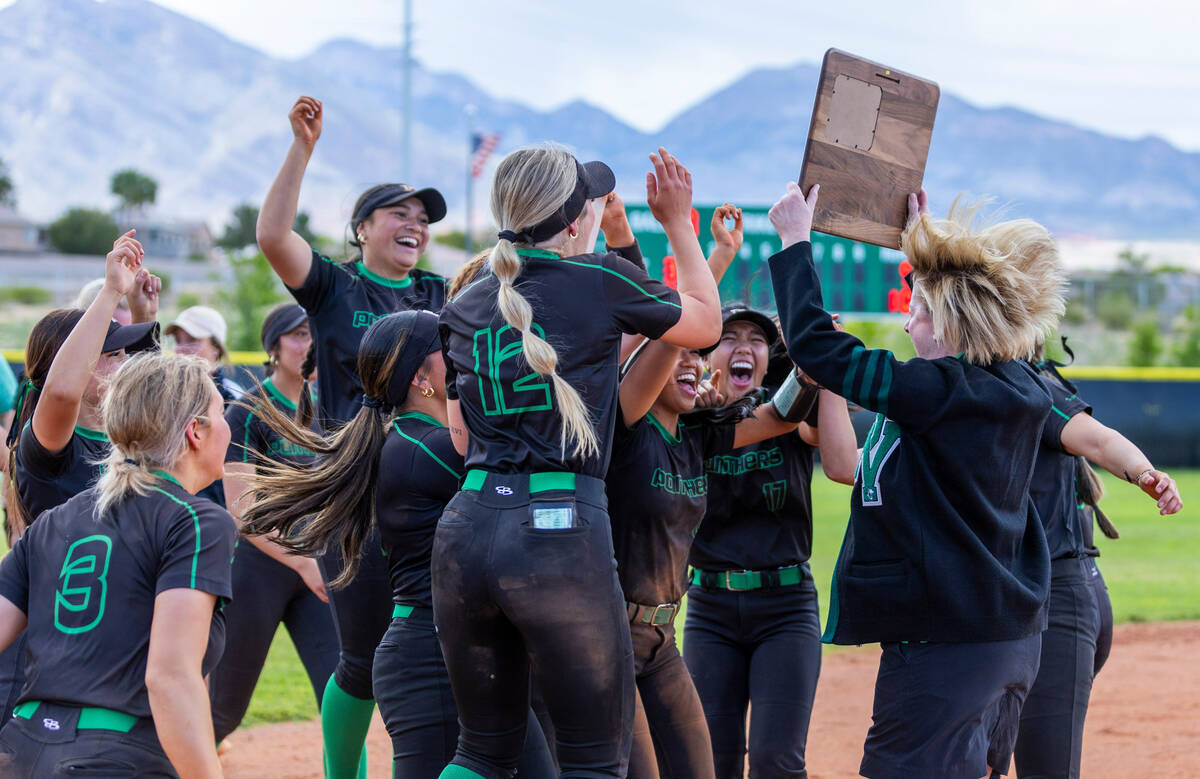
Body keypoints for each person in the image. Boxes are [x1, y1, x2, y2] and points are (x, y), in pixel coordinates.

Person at [433, 145, 721, 778]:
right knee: (594, 761)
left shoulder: (465, 302)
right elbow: (704, 326)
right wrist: (678, 223)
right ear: (572, 221)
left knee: (480, 754)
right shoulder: (598, 277)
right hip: (558, 533)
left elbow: (458, 438)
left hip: (466, 526)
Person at [767, 184, 1066, 779]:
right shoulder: (1023, 386)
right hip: (1009, 640)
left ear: (951, 322)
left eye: (918, 312)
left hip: (946, 646)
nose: (907, 325)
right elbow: (966, 315)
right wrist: (922, 245)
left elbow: (819, 350)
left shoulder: (938, 392)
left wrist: (795, 242)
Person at [237, 311, 554, 777]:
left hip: (448, 652)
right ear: (420, 378)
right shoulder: (425, 449)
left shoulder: (412, 440)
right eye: (448, 349)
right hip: (430, 663)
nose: (463, 356)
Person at [256, 94, 449, 779]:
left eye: (422, 218)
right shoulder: (336, 288)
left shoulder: (442, 293)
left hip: (436, 491)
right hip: (359, 494)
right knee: (362, 660)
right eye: (399, 213)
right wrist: (302, 149)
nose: (414, 224)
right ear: (362, 228)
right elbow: (273, 237)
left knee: (445, 648)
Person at [0, 351, 237, 777]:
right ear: (195, 432)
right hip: (114, 758)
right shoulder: (196, 520)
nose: (228, 427)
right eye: (221, 413)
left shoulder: (55, 520)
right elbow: (170, 677)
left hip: (19, 752)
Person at [683, 302, 857, 779]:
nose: (744, 347)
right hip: (710, 610)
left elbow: (817, 432)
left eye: (756, 340)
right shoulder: (686, 417)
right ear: (706, 354)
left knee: (775, 761)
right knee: (712, 762)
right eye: (729, 337)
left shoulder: (788, 415)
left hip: (785, 608)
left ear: (767, 359)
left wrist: (822, 353)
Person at [0, 233, 160, 726]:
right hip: (40, 637)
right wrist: (110, 293)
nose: (122, 363)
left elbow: (158, 389)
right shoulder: (49, 445)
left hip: (100, 635)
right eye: (110, 354)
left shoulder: (125, 440)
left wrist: (141, 311)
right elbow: (63, 393)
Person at [1012, 357, 1181, 779]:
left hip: (1058, 602)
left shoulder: (1030, 388)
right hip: (1026, 599)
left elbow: (1101, 441)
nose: (908, 326)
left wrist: (1144, 474)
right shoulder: (959, 387)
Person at [208, 303, 338, 745]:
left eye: (313, 333)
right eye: (299, 335)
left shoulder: (330, 406)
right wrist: (301, 562)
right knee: (222, 710)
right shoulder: (249, 412)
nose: (310, 344)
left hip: (318, 566)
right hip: (259, 570)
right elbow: (242, 511)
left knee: (343, 698)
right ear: (274, 349)